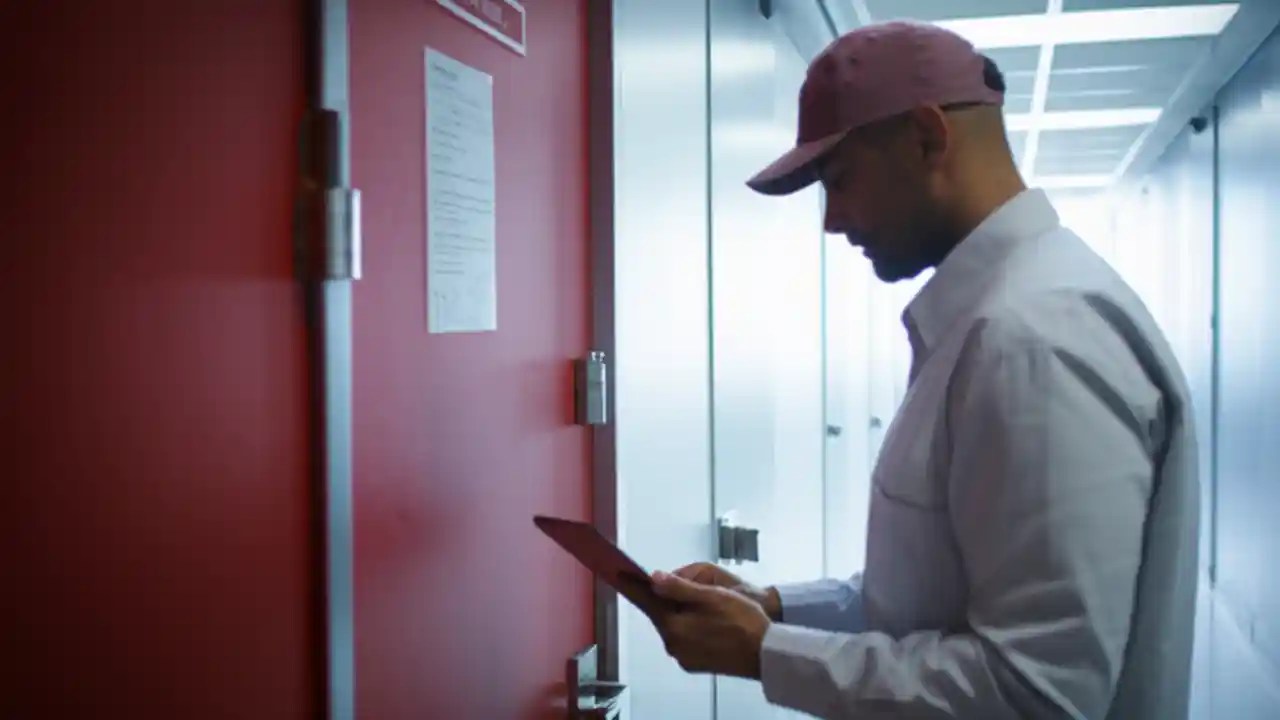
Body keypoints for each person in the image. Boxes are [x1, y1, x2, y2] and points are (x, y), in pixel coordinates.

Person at [645, 19, 1200, 720]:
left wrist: (766, 653)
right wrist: (772, 611)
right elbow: (933, 597)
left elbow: (1038, 693)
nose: (831, 220)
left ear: (928, 135)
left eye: (839, 180)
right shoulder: (996, 322)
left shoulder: (1033, 340)